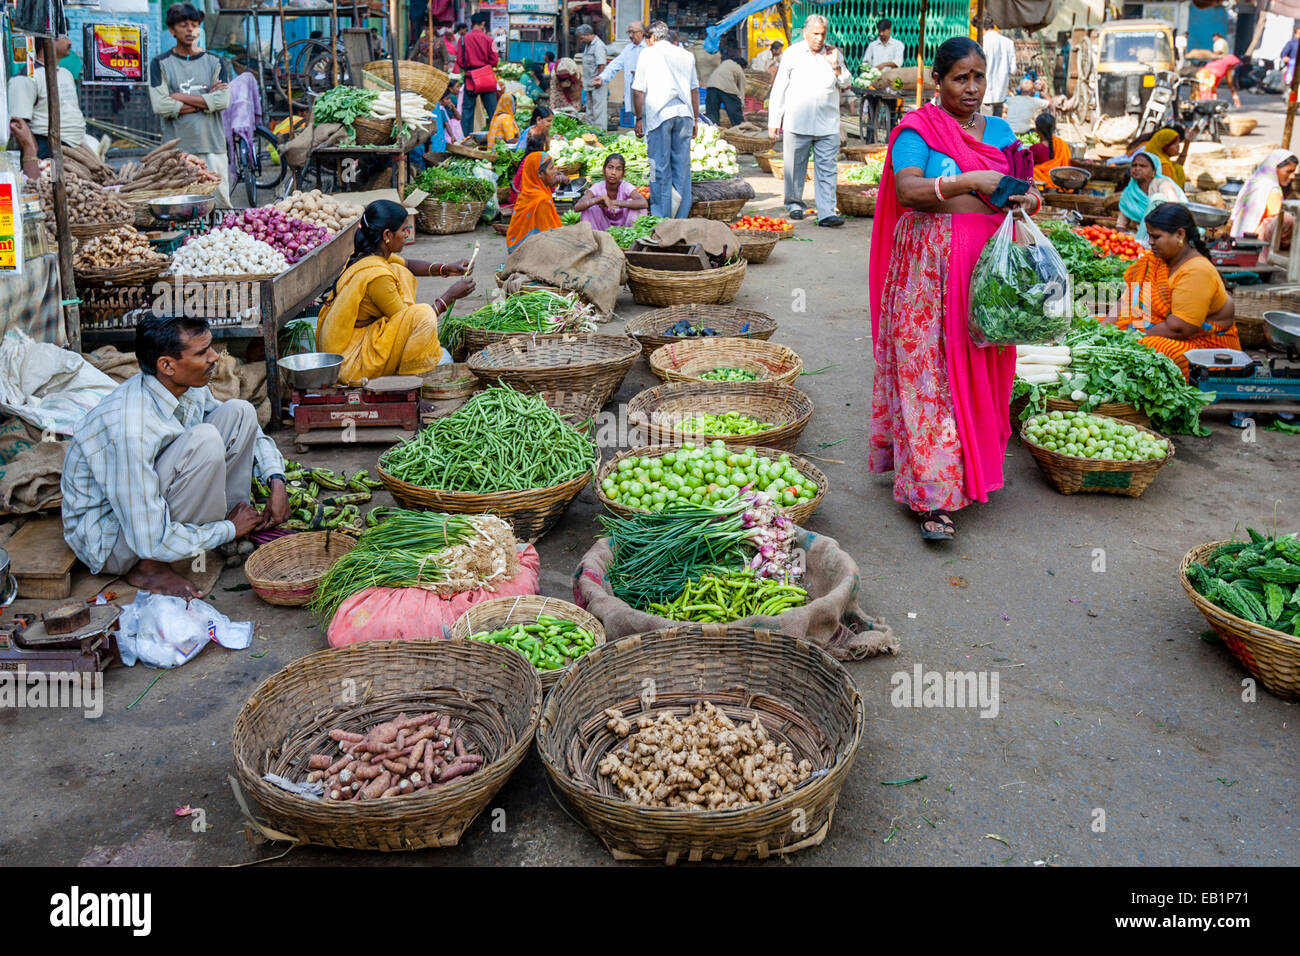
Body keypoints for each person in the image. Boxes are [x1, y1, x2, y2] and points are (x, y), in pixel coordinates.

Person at [868, 36, 1039, 541]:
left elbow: (1016, 187)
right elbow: (908, 190)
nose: (971, 87)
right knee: (927, 373)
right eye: (960, 78)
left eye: (979, 77)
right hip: (928, 267)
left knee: (983, 366)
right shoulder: (918, 129)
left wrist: (1025, 198)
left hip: (988, 268)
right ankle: (932, 495)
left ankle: (971, 467)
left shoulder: (1003, 130)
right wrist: (971, 181)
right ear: (939, 82)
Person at [60, 315, 285, 599]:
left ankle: (226, 527)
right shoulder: (129, 428)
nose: (215, 357)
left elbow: (248, 429)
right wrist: (227, 529)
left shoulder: (182, 388)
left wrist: (276, 479)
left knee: (240, 412)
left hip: (142, 510)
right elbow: (148, 538)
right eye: (203, 352)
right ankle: (150, 568)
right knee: (205, 440)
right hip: (113, 540)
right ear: (166, 365)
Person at [317, 201, 473, 383]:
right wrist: (450, 296)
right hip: (353, 362)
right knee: (422, 315)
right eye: (404, 230)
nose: (407, 234)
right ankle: (408, 384)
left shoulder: (369, 254)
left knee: (400, 271)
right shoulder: (378, 277)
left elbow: (407, 264)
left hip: (345, 347)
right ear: (387, 235)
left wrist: (445, 268)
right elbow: (411, 324)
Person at [1109, 203, 1237, 379]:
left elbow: (1179, 329)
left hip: (1202, 344)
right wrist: (1104, 329)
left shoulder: (1197, 271)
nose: (1150, 242)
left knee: (1144, 349)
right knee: (1094, 324)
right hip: (1157, 329)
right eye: (1149, 236)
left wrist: (1126, 336)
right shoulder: (1155, 262)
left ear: (1180, 235)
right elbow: (1125, 301)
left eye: (1156, 236)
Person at [768, 14, 851, 227]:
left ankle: (826, 213)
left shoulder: (834, 53)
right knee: (795, 167)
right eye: (815, 34)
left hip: (827, 123)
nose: (819, 38)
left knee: (827, 169)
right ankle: (795, 204)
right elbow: (779, 88)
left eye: (822, 34)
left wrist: (836, 66)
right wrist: (774, 120)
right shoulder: (792, 54)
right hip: (798, 122)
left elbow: (846, 83)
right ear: (805, 33)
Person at [148, 4, 233, 208]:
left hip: (212, 147)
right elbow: (160, 105)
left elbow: (222, 101)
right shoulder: (160, 63)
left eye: (194, 25)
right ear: (172, 30)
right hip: (177, 151)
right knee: (179, 209)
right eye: (184, 25)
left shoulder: (215, 61)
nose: (190, 30)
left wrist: (179, 97)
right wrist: (205, 100)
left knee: (219, 207)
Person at [633, 21, 699, 219]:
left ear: (652, 37)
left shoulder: (647, 53)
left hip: (659, 116)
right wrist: (695, 119)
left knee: (658, 167)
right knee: (682, 168)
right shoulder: (687, 55)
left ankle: (661, 216)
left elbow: (638, 90)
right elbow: (694, 90)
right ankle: (680, 217)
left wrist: (638, 118)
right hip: (684, 115)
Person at [7, 35, 87, 182]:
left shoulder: (66, 74)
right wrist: (32, 153)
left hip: (77, 151)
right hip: (47, 150)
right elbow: (18, 123)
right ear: (47, 40)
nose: (70, 42)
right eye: (63, 37)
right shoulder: (25, 78)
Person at [1229, 149, 1299, 248]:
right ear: (1275, 168)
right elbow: (1276, 214)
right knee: (1288, 219)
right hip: (1256, 237)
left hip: (1238, 233)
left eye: (1293, 172)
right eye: (1289, 171)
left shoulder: (1254, 181)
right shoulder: (1272, 188)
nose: (1292, 176)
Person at [1116, 150, 1187, 245]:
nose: (1137, 168)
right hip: (1139, 240)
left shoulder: (1163, 184)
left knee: (1157, 199)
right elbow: (1121, 224)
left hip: (1167, 235)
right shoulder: (1129, 192)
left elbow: (1176, 210)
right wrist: (1123, 238)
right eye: (1134, 165)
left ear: (1153, 171)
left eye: (1143, 166)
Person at [506, 150, 566, 252]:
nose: (555, 171)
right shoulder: (541, 200)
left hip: (514, 248)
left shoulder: (527, 193)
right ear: (539, 174)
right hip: (529, 254)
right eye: (551, 168)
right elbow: (548, 237)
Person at [575, 153, 647, 230]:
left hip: (625, 228)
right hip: (602, 227)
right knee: (590, 207)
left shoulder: (626, 187)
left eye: (618, 169)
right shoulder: (597, 187)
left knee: (637, 206)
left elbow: (644, 203)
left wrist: (615, 202)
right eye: (610, 167)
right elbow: (577, 207)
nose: (613, 172)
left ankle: (633, 238)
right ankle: (593, 238)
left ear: (623, 173)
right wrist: (599, 199)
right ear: (604, 170)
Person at [595, 21, 646, 125]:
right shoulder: (628, 49)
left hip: (647, 92)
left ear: (642, 32)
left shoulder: (649, 48)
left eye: (633, 32)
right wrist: (602, 77)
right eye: (629, 32)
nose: (631, 35)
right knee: (638, 119)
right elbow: (615, 64)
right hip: (634, 92)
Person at [456, 12, 500, 133]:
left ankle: (466, 140)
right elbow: (495, 61)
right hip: (486, 78)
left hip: (470, 78)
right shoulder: (490, 40)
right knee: (492, 112)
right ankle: (495, 138)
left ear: (471, 23)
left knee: (467, 112)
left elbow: (459, 61)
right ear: (483, 24)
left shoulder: (463, 40)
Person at [980, 15, 1017, 118]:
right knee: (996, 126)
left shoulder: (982, 42)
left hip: (985, 95)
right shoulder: (1009, 43)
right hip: (1001, 93)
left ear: (981, 27)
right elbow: (1013, 70)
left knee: (985, 127)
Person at [577, 24, 609, 130]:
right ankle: (590, 132)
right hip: (589, 83)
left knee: (598, 110)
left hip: (597, 84)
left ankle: (600, 133)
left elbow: (602, 65)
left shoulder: (598, 45)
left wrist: (598, 79)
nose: (581, 40)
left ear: (588, 34)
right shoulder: (588, 45)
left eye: (582, 38)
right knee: (590, 110)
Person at [1029, 112, 1071, 187]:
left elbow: (1028, 168)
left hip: (1041, 185)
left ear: (1037, 129)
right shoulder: (1062, 144)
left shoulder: (1035, 148)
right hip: (1060, 182)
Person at [706, 53, 747, 127]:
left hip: (711, 85)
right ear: (742, 66)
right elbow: (742, 87)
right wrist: (741, 102)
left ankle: (712, 129)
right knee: (735, 111)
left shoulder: (725, 63)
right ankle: (740, 128)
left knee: (712, 112)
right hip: (726, 87)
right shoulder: (739, 68)